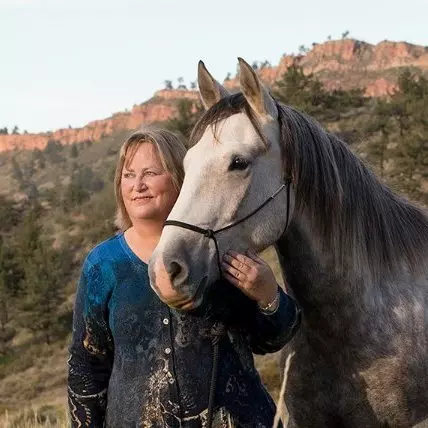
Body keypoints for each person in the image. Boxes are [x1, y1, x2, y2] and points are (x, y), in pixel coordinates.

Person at [67, 127, 300, 428]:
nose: (138, 185)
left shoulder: (221, 250)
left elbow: (270, 340)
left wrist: (269, 296)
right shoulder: (103, 265)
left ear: (181, 178)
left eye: (151, 172)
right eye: (128, 175)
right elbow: (87, 366)